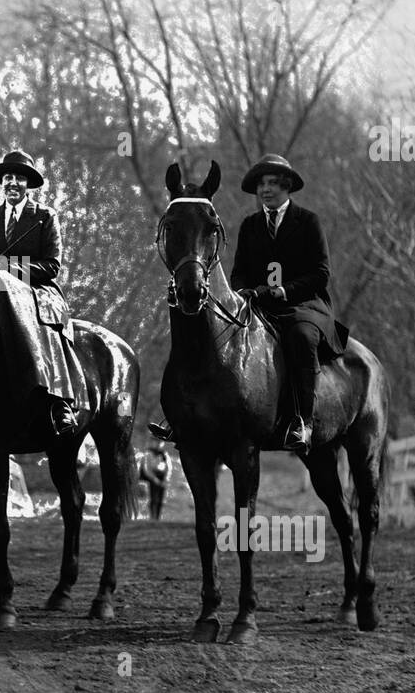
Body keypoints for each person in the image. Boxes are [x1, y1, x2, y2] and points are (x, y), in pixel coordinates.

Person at [150, 154, 347, 453]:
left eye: (272, 184)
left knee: (300, 336)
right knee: (208, 334)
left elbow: (321, 274)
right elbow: (239, 271)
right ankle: (180, 414)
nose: (265, 190)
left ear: (287, 186)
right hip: (258, 303)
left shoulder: (308, 222)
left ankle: (303, 421)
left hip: (304, 305)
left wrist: (282, 290)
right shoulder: (250, 225)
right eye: (261, 185)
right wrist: (242, 291)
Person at [0, 149, 87, 439]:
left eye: (18, 179)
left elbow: (52, 265)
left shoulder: (46, 217)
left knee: (47, 324)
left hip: (37, 290)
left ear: (27, 185)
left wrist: (8, 272)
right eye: (8, 178)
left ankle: (59, 401)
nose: (12, 183)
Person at [137, 439, 171, 520]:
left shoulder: (164, 455)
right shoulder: (148, 454)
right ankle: (152, 517)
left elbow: (168, 468)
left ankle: (157, 518)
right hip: (151, 479)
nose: (158, 444)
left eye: (160, 442)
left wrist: (165, 479)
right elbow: (147, 470)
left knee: (160, 500)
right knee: (153, 499)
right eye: (157, 442)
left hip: (162, 479)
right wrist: (155, 480)